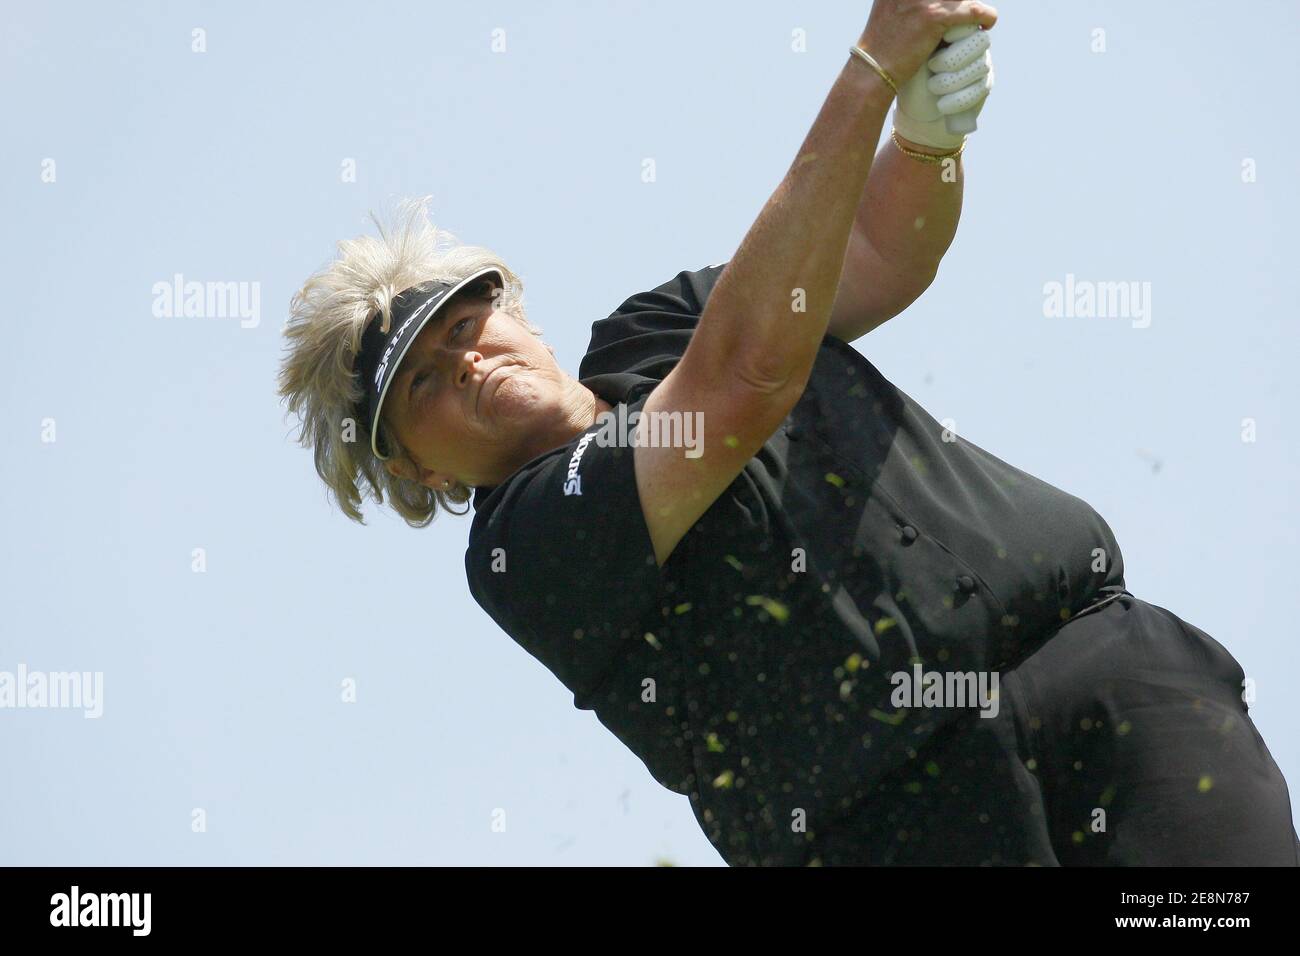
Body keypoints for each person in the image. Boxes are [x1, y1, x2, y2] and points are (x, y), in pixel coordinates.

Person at [277, 0, 1299, 865]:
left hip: (1117, 698)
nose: (465, 359)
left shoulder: (663, 322)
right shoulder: (520, 546)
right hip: (897, 832)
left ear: (520, 314)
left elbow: (874, 250)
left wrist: (924, 139)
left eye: (467, 323)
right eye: (422, 383)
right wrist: (866, 74)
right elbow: (743, 384)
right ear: (411, 467)